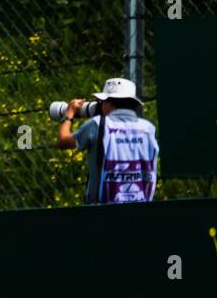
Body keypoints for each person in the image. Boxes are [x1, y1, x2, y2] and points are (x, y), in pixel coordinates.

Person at [56, 76, 159, 205]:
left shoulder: (98, 124)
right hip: (142, 208)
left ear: (108, 102)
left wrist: (69, 114)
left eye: (102, 101)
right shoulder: (148, 129)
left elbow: (63, 141)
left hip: (103, 212)